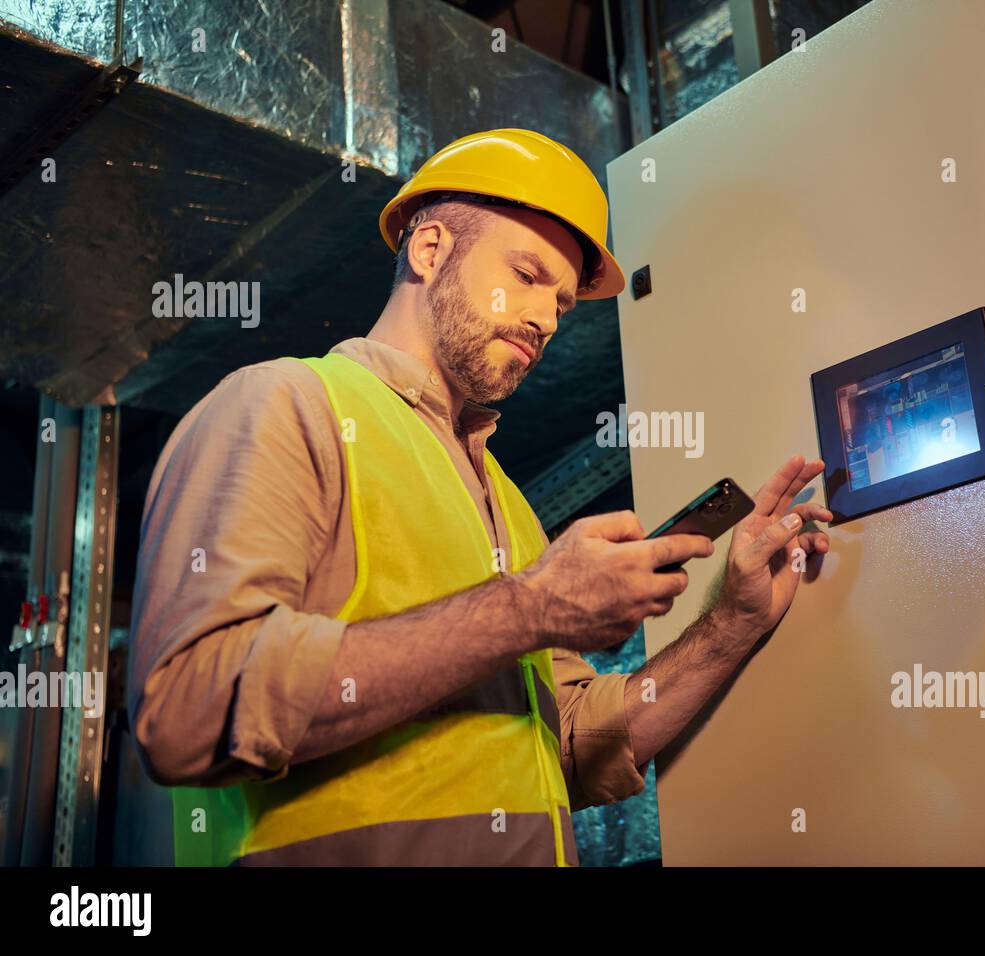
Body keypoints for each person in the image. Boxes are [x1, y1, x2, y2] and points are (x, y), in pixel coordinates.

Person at [127, 128, 832, 866]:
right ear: (430, 251)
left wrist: (731, 623)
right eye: (526, 275)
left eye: (562, 301)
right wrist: (528, 609)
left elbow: (570, 745)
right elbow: (187, 713)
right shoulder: (283, 406)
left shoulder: (507, 504)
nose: (547, 317)